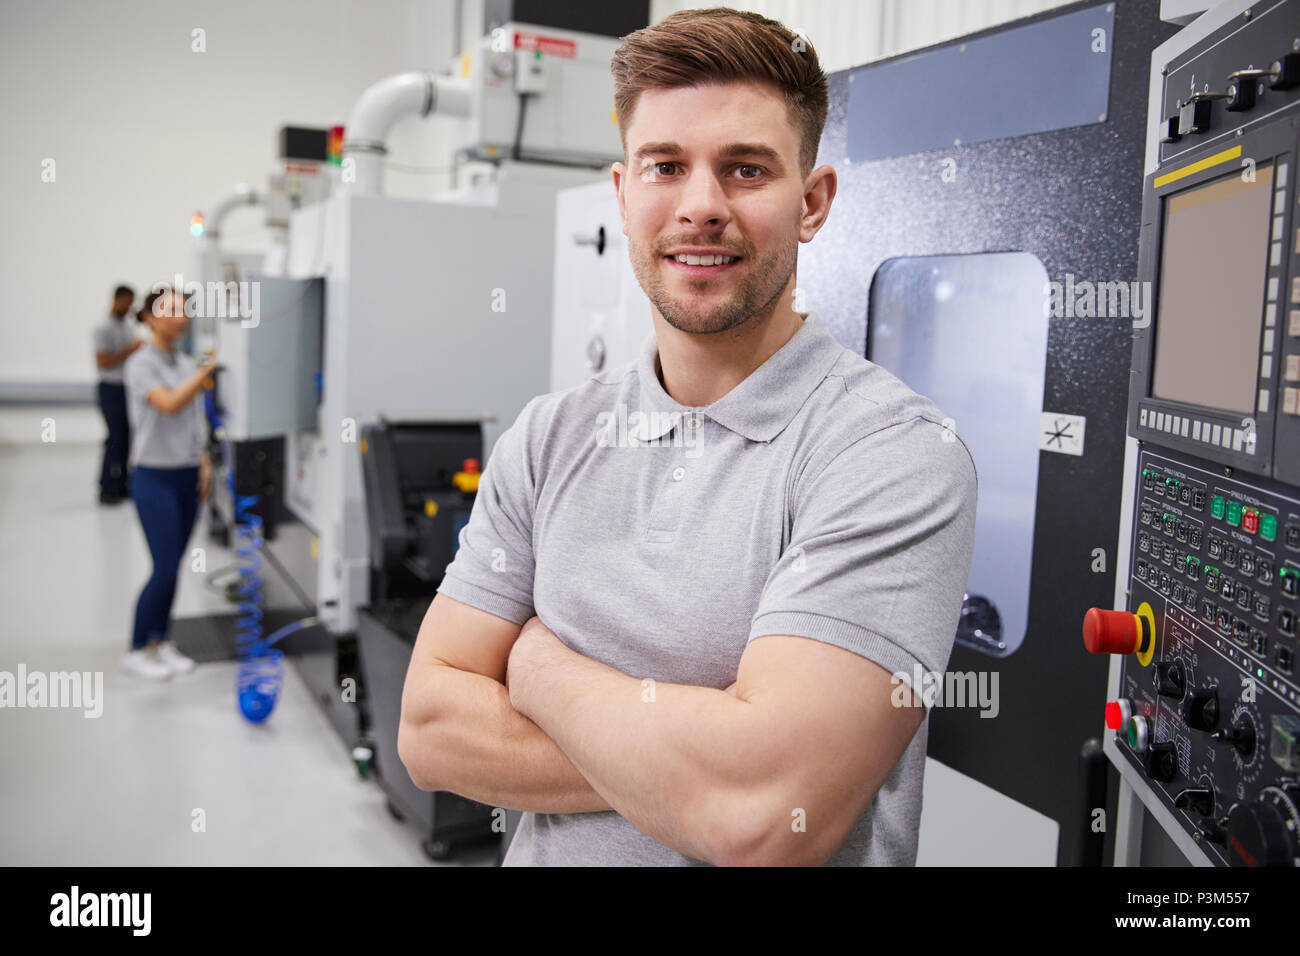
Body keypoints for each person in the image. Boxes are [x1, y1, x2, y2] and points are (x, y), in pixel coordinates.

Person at [399, 9, 978, 865]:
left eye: (746, 169)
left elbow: (763, 816)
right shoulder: (548, 436)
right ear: (625, 193)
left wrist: (536, 665)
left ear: (812, 203)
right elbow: (428, 732)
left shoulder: (890, 456)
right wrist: (696, 766)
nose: (701, 207)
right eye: (665, 166)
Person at [120, 287, 217, 680]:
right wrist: (206, 374)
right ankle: (138, 646)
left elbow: (193, 418)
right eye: (170, 310)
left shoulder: (183, 361)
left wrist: (204, 462)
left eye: (184, 309)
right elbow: (170, 403)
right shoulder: (141, 364)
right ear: (149, 317)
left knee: (174, 565)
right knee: (162, 567)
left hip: (186, 474)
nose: (180, 316)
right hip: (153, 477)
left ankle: (161, 641)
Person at [92, 284, 143, 503]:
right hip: (110, 388)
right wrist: (129, 351)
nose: (130, 307)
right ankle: (107, 486)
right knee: (115, 438)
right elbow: (103, 361)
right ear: (117, 300)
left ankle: (122, 483)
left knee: (126, 438)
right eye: (127, 302)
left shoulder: (127, 326)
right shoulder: (102, 327)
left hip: (126, 388)